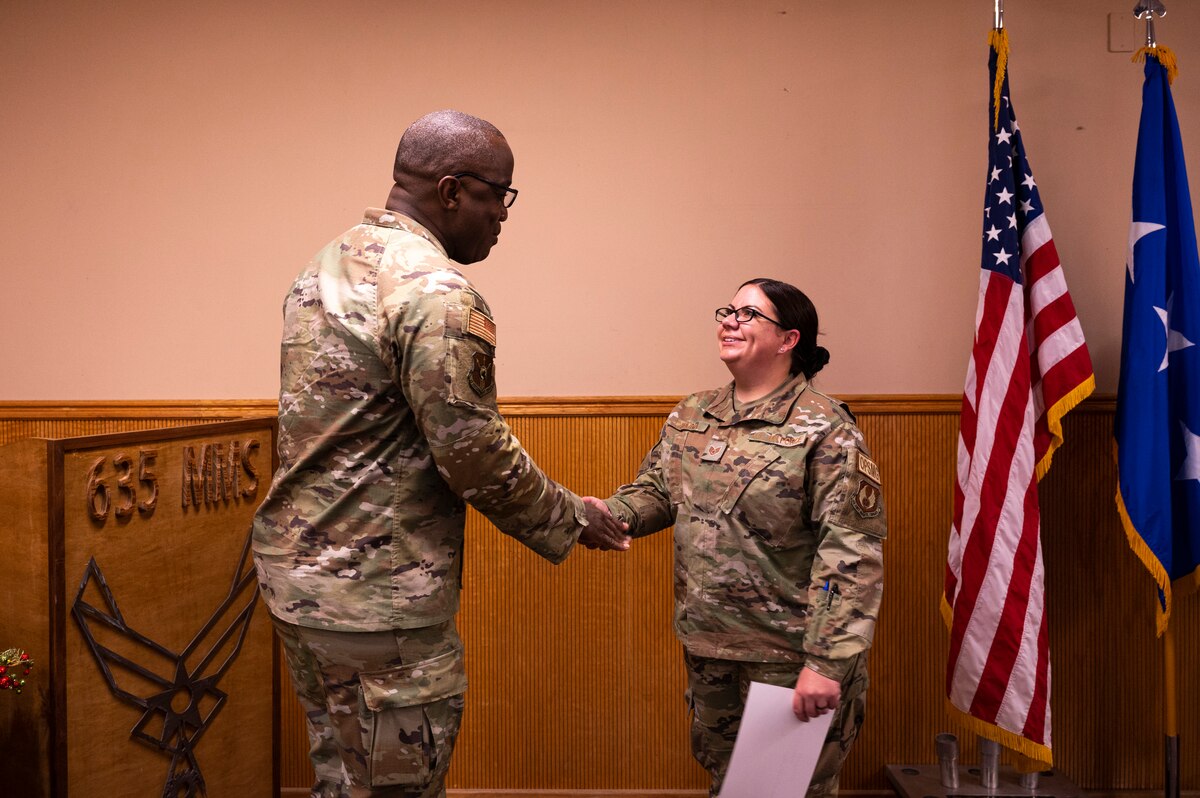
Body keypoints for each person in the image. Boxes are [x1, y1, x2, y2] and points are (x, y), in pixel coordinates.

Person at [250, 109, 629, 798]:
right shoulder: (438, 293)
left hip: (302, 585)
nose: (503, 216)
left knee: (341, 779)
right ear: (452, 191)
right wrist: (575, 518)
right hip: (378, 598)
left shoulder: (326, 265)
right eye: (498, 195)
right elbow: (473, 451)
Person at [603, 278, 886, 797]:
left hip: (787, 657)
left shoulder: (824, 427)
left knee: (781, 792)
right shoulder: (693, 414)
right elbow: (656, 494)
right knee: (731, 787)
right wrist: (602, 515)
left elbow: (850, 553)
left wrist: (826, 662)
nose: (730, 320)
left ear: (788, 339)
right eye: (728, 310)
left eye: (749, 314)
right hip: (710, 649)